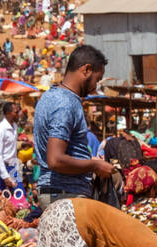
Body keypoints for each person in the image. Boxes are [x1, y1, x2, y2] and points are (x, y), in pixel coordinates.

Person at [32, 44, 113, 207]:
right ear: (86, 70)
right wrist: (95, 165)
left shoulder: (50, 96)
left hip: (58, 193)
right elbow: (55, 160)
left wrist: (87, 159)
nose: (95, 87)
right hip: (65, 195)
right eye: (97, 79)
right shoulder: (66, 103)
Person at [0, 100, 22, 192]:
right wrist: (5, 176)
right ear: (8, 113)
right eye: (16, 112)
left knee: (19, 194)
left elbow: (13, 150)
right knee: (2, 198)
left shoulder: (15, 127)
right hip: (0, 167)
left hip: (12, 166)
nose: (18, 114)